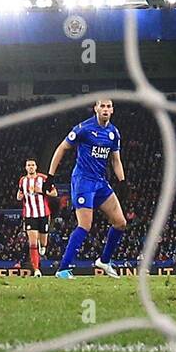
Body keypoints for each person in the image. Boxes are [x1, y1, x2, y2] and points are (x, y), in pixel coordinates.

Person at [47, 98, 127, 279]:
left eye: (108, 106)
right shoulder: (84, 128)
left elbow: (116, 160)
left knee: (120, 222)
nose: (105, 109)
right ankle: (62, 269)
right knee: (85, 225)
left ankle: (104, 261)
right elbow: (62, 148)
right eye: (102, 106)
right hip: (83, 181)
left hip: (100, 182)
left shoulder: (113, 133)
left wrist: (122, 182)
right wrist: (50, 176)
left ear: (112, 110)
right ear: (96, 109)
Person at [16, 158, 56, 276]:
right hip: (29, 215)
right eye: (28, 165)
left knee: (43, 243)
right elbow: (19, 194)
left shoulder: (43, 179)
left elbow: (54, 193)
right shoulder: (22, 180)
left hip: (43, 214)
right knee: (32, 243)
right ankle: (37, 270)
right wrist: (19, 196)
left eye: (33, 165)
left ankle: (43, 246)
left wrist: (43, 191)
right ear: (26, 167)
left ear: (36, 167)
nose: (31, 167)